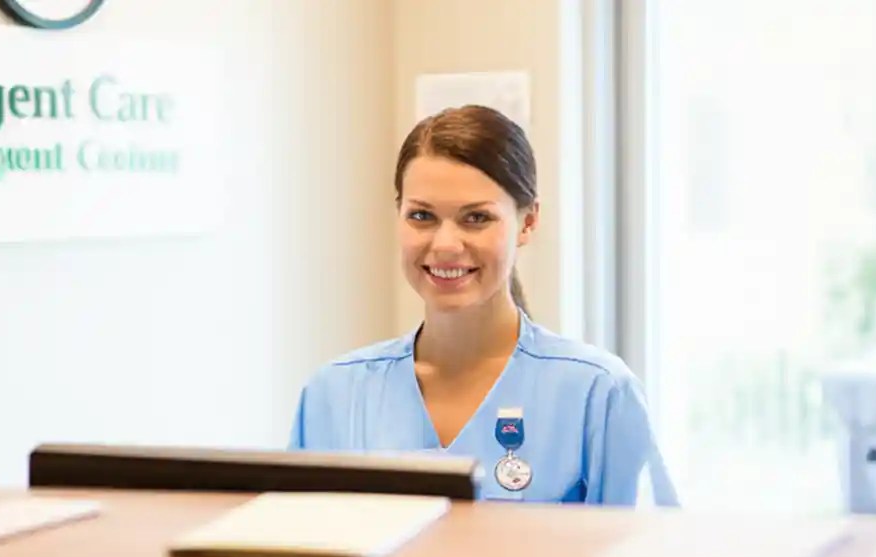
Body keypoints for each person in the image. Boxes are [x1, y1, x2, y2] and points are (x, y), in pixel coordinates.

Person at [288, 105, 677, 506]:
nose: (445, 245)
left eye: (476, 218)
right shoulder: (333, 395)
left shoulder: (597, 394)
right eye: (422, 216)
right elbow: (295, 556)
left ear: (527, 222)